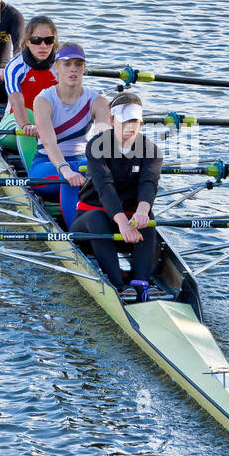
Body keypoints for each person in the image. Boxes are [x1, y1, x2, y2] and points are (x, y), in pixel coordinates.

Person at [70, 91, 162, 303]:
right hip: (89, 224)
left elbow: (149, 183)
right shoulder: (96, 146)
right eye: (125, 122)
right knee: (97, 218)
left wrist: (141, 212)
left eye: (135, 122)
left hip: (129, 224)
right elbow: (105, 188)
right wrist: (122, 223)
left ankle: (141, 284)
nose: (130, 128)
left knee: (148, 220)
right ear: (111, 120)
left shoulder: (151, 150)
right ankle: (119, 288)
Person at [28, 43, 110, 227]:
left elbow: (104, 142)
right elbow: (48, 142)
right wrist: (65, 169)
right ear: (56, 67)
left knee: (86, 168)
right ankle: (76, 234)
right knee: (71, 177)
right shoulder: (43, 100)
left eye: (78, 64)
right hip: (46, 167)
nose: (73, 69)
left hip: (82, 163)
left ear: (84, 68)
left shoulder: (99, 102)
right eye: (67, 64)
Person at [2, 16, 59, 138]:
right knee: (31, 114)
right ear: (27, 42)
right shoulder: (16, 66)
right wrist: (26, 125)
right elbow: (15, 100)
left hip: (47, 124)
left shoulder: (61, 65)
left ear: (54, 42)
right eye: (36, 40)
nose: (43, 46)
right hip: (15, 125)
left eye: (48, 40)